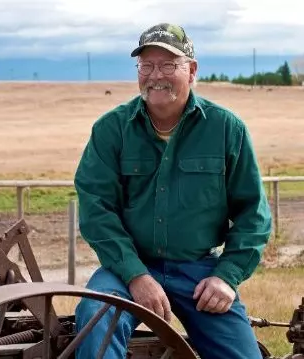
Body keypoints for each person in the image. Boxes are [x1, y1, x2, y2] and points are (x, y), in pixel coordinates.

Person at [74, 23, 272, 359]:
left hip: (198, 271)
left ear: (192, 70)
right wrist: (135, 275)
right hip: (128, 267)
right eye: (146, 66)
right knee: (96, 316)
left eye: (168, 65)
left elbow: (253, 214)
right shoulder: (112, 129)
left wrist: (226, 277)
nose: (155, 76)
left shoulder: (226, 128)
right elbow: (97, 209)